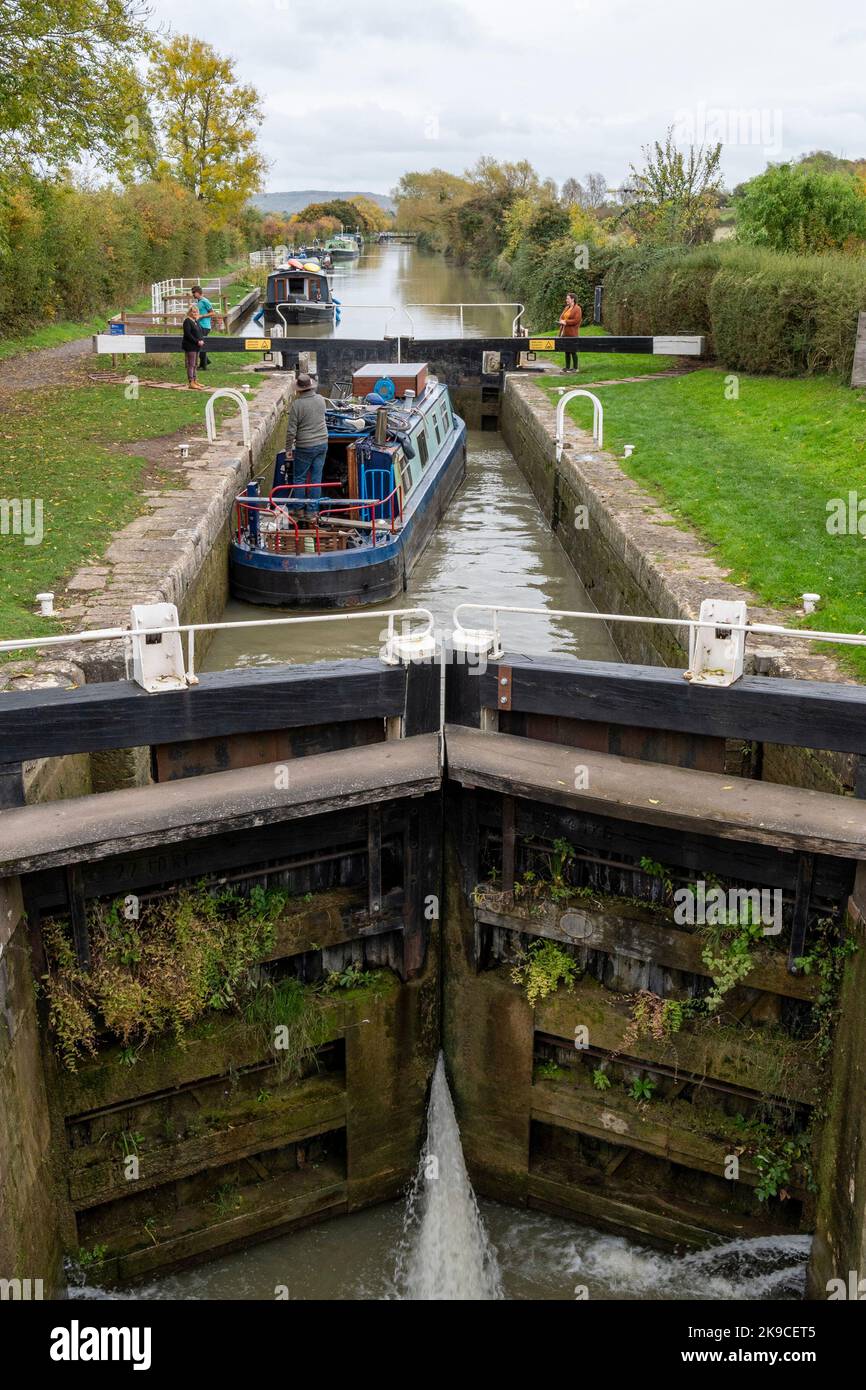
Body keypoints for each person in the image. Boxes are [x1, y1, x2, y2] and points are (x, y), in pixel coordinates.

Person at [285, 372, 328, 515]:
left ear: (299, 390)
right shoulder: (321, 399)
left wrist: (288, 449)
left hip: (305, 445)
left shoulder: (297, 405)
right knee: (316, 478)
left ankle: (299, 509)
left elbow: (291, 431)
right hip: (322, 443)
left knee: (300, 478)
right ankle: (313, 511)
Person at [191, 286, 223, 370]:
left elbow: (212, 313)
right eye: (192, 292)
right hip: (200, 325)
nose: (193, 294)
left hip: (205, 326)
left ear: (198, 292)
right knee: (199, 344)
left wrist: (202, 316)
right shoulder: (199, 302)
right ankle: (205, 361)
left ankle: (203, 365)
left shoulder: (205, 301)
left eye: (194, 292)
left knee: (201, 344)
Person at [182, 304, 205, 389]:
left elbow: (200, 331)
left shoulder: (196, 321)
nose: (195, 313)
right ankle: (191, 382)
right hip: (190, 346)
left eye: (196, 312)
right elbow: (188, 334)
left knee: (195, 364)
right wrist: (197, 341)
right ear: (190, 312)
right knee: (191, 364)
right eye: (193, 311)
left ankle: (195, 381)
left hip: (197, 346)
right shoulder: (187, 321)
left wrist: (201, 340)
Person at [558, 291, 583, 373]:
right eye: (566, 298)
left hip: (572, 333)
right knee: (566, 351)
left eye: (568, 298)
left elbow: (576, 320)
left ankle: (575, 368)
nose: (566, 300)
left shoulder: (577, 309)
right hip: (564, 332)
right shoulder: (566, 308)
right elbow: (561, 317)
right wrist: (561, 321)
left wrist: (565, 322)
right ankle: (567, 367)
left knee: (573, 351)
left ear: (573, 299)